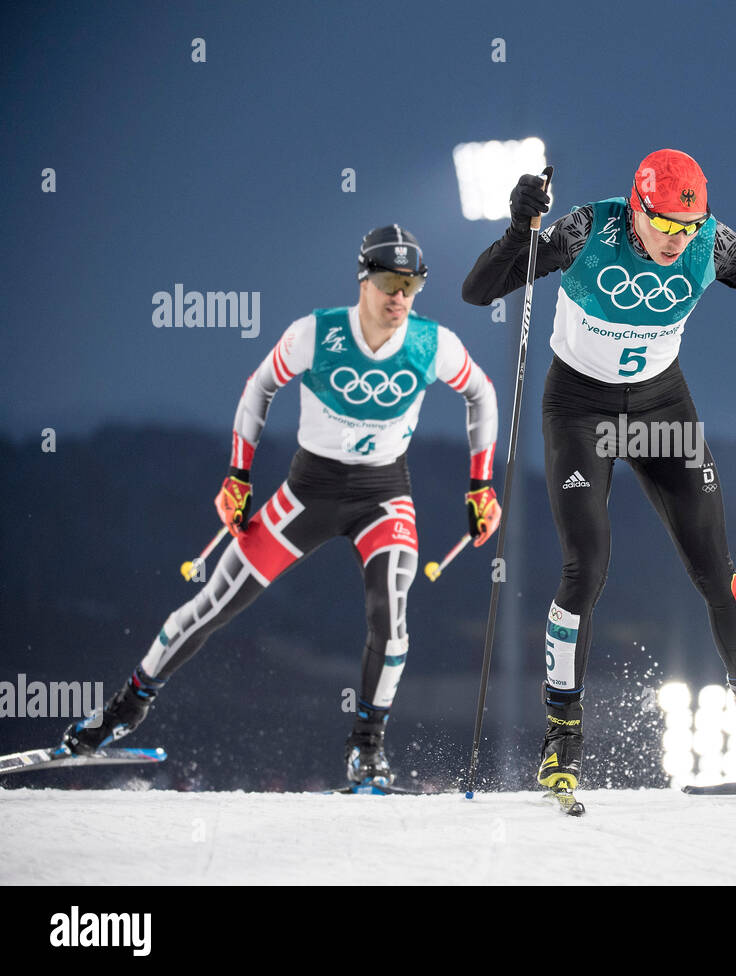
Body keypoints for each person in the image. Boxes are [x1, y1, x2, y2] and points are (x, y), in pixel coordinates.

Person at [462, 149, 736, 793]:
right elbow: (478, 293)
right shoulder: (588, 229)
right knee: (585, 568)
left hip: (658, 409)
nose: (677, 240)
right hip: (581, 410)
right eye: (666, 225)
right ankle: (562, 736)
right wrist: (518, 229)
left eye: (687, 227)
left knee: (714, 568)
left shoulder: (715, 244)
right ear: (637, 208)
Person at [63, 225, 501, 788]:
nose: (400, 298)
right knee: (213, 603)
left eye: (412, 285)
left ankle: (367, 749)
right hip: (309, 492)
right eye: (390, 282)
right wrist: (237, 476)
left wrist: (480, 487)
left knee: (391, 618)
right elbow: (257, 388)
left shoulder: (431, 343)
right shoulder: (314, 334)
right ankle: (124, 708)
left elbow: (481, 393)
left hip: (384, 494)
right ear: (364, 278)